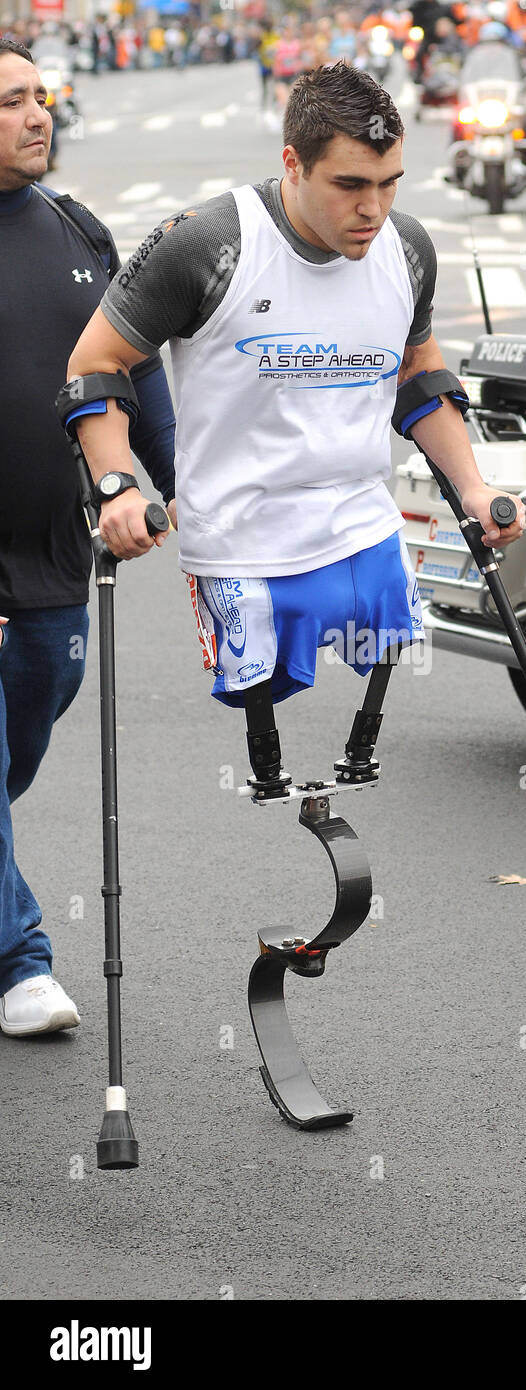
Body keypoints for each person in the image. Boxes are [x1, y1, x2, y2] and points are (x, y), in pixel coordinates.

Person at [63, 63, 524, 749]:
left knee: (371, 721)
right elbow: (95, 366)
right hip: (244, 543)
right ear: (294, 165)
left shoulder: (406, 249)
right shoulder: (208, 244)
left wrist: (474, 487)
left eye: (388, 183)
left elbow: (419, 373)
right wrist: (116, 486)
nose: (373, 207)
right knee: (264, 747)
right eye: (349, 185)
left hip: (364, 530)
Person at [0, 35, 176, 1036]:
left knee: (19, 749)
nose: (38, 116)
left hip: (57, 559)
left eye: (42, 97)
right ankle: (21, 959)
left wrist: (177, 475)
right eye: (13, 102)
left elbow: (131, 369)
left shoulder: (77, 229)